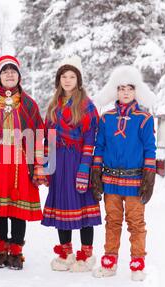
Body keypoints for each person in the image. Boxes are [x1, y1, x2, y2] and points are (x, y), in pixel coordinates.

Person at [0, 55, 46, 270]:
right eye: (5, 72)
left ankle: (16, 251)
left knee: (17, 208)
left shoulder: (28, 104)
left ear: (19, 76)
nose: (9, 75)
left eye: (12, 71)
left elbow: (38, 134)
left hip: (19, 161)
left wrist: (38, 164)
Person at [91, 65, 157, 281]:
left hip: (135, 178)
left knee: (136, 222)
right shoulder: (106, 118)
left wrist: (149, 175)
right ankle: (109, 262)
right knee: (112, 220)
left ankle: (137, 264)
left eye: (129, 88)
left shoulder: (144, 118)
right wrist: (95, 172)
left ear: (136, 90)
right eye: (121, 88)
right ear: (115, 91)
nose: (125, 92)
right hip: (110, 179)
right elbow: (99, 146)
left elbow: (150, 148)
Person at [41, 56, 102, 272]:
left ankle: (86, 255)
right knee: (62, 208)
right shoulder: (53, 105)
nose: (67, 80)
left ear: (78, 80)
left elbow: (90, 140)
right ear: (58, 80)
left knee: (83, 208)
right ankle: (65, 253)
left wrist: (85, 168)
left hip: (77, 160)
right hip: (59, 161)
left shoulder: (86, 106)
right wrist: (47, 167)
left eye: (72, 76)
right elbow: (47, 138)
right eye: (64, 76)